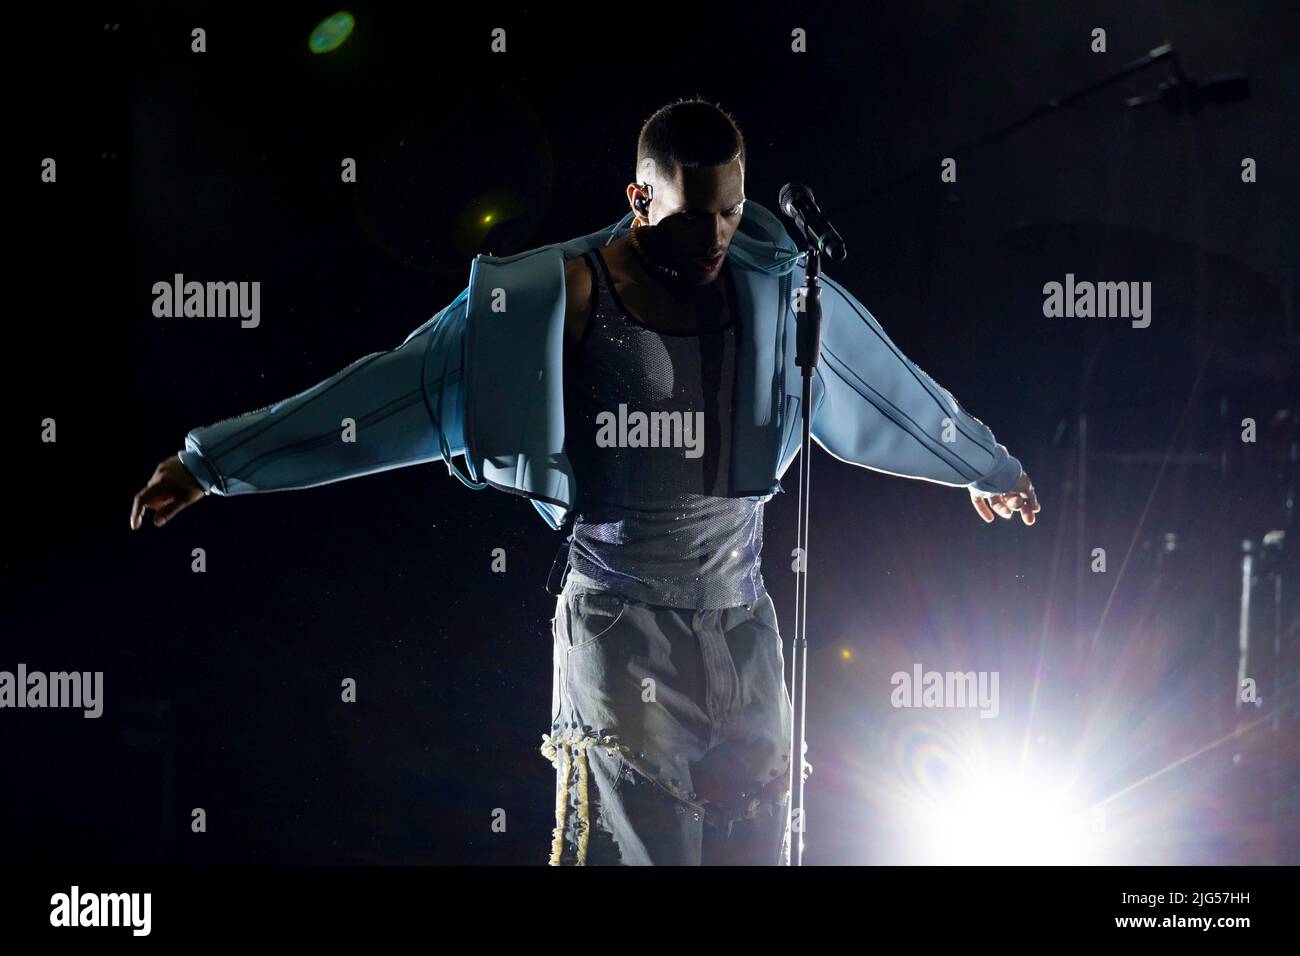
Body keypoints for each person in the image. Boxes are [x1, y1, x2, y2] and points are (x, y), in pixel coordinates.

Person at [130, 96, 1040, 866]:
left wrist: (978, 465)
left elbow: (883, 383)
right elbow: (393, 387)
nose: (718, 235)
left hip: (743, 623)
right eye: (691, 217)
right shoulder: (559, 297)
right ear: (639, 199)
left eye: (729, 212)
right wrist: (217, 464)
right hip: (620, 628)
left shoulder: (774, 285)